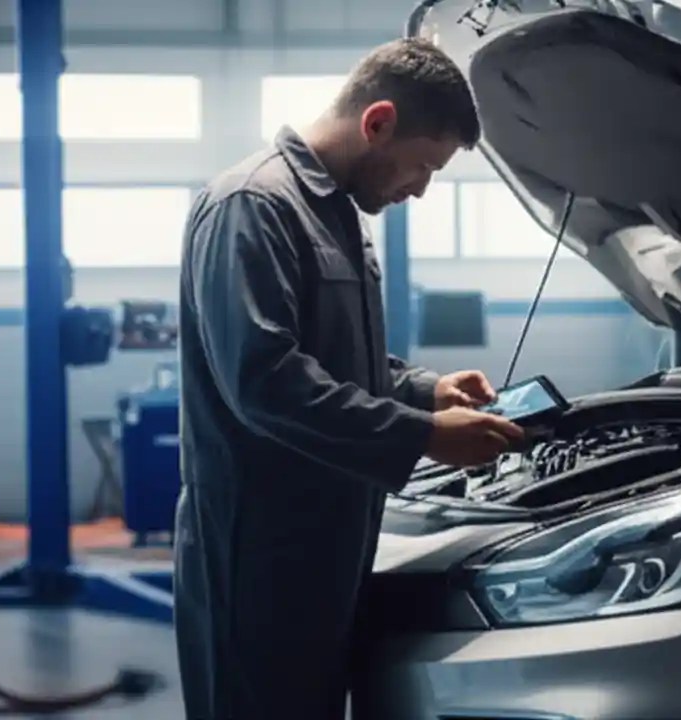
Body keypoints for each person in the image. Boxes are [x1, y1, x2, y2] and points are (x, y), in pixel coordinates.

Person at [174, 38, 524, 719]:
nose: (420, 190)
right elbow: (265, 380)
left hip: (323, 552)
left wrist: (425, 390)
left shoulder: (339, 216)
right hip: (255, 561)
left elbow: (336, 361)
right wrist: (425, 434)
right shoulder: (253, 206)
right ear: (378, 122)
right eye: (422, 166)